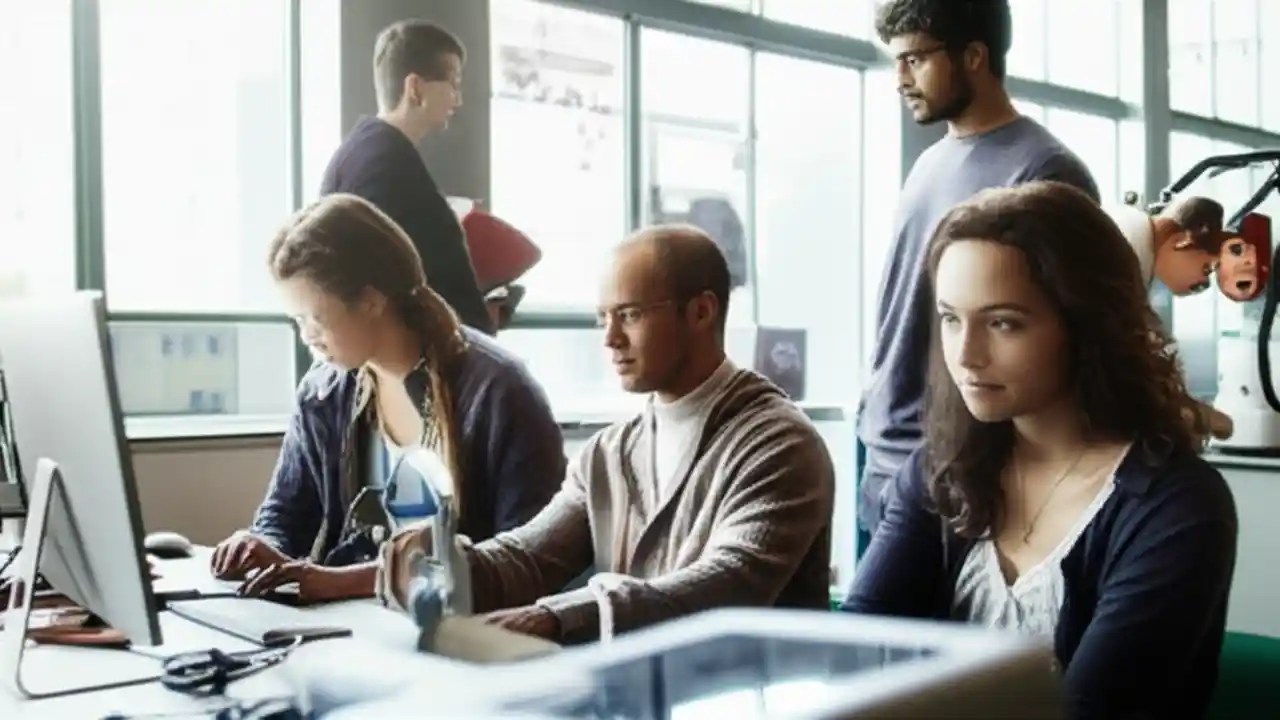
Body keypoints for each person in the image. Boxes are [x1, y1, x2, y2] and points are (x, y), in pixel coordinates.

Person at [841, 182, 1238, 718]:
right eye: (951, 318)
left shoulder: (1177, 507)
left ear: (1088, 325)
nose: (966, 354)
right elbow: (855, 658)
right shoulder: (941, 471)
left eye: (1003, 323)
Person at [377, 225, 835, 644]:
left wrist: (552, 618)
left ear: (700, 312)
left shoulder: (780, 445)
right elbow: (530, 556)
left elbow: (726, 585)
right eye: (603, 318)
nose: (610, 338)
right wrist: (443, 562)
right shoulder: (609, 453)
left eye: (630, 315)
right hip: (643, 691)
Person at [209, 193, 565, 603]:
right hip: (349, 621)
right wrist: (260, 543)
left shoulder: (498, 392)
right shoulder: (324, 392)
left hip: (462, 627)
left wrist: (342, 581)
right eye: (297, 320)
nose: (307, 336)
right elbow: (286, 514)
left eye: (315, 319)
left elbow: (526, 558)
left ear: (371, 300)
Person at [857, 0, 1100, 537]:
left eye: (916, 59)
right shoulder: (929, 162)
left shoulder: (1044, 169)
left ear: (973, 56)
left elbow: (1066, 341)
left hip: (957, 467)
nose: (901, 79)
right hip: (883, 452)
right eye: (896, 61)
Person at [318, 19, 492, 334]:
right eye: (453, 83)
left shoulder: (363, 153)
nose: (458, 99)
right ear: (415, 88)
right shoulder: (386, 166)